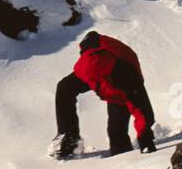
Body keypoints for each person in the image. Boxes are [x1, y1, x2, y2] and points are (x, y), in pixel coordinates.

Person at [51, 31, 158, 159]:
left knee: (116, 131)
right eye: (91, 81)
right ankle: (69, 138)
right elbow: (66, 88)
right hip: (101, 71)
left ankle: (124, 161)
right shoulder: (85, 69)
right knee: (64, 87)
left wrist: (144, 136)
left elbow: (142, 110)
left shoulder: (127, 76)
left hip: (120, 89)